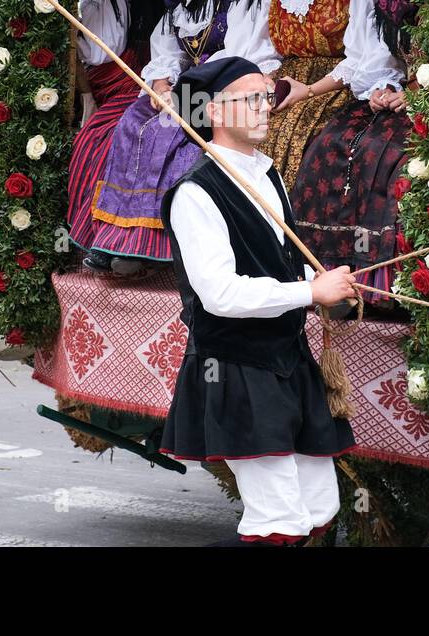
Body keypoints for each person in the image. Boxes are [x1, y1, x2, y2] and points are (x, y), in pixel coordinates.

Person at [157, 56, 358, 545]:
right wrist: (309, 292)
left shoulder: (267, 175)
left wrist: (320, 281)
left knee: (318, 505)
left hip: (288, 359)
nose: (266, 107)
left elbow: (275, 261)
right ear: (215, 112)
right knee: (278, 517)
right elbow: (220, 293)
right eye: (252, 99)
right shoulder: (195, 194)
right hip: (236, 367)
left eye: (267, 96)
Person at [86, 0, 274, 271]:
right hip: (184, 88)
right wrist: (160, 85)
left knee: (170, 134)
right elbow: (166, 46)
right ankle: (120, 236)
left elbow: (239, 55)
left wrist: (187, 90)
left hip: (223, 89)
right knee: (131, 124)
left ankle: (155, 245)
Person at [289, 0, 415, 310]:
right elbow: (373, 56)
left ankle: (380, 284)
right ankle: (331, 278)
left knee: (387, 155)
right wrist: (382, 88)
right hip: (390, 97)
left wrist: (417, 93)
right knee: (333, 146)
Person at [259, 0, 401, 191]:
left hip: (334, 85)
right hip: (284, 84)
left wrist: (308, 91)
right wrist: (268, 83)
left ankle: (294, 232)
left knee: (298, 135)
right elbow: (265, 51)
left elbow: (363, 54)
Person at [66, 0, 172, 252]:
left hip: (124, 95)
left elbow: (96, 49)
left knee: (94, 142)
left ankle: (101, 240)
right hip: (157, 92)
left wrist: (71, 37)